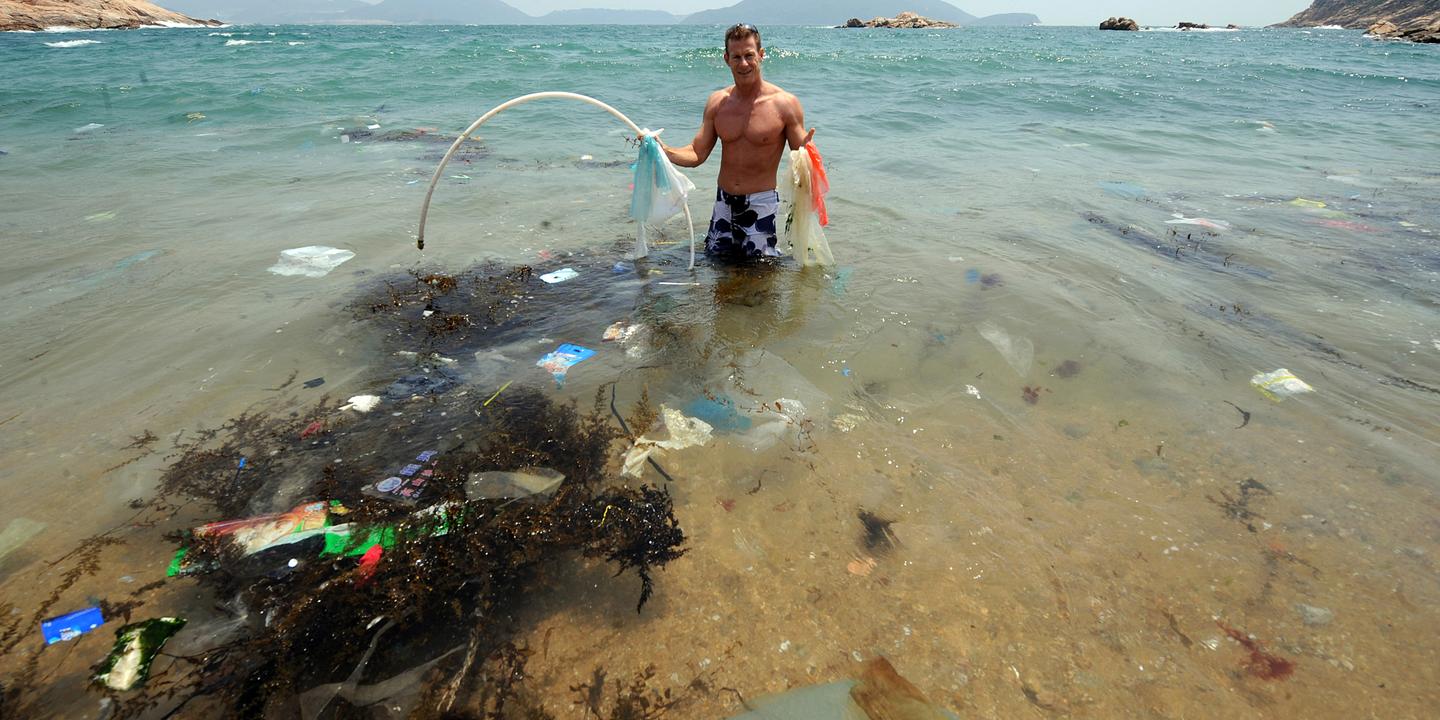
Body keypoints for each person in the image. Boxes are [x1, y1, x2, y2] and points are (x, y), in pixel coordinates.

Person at [659, 23, 815, 260]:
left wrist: (808, 151)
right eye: (737, 57)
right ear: (726, 59)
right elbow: (696, 153)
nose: (743, 63)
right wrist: (663, 149)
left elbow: (802, 162)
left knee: (761, 281)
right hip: (723, 203)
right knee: (718, 276)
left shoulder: (785, 104)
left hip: (761, 205)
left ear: (761, 55)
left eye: (749, 55)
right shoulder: (717, 102)